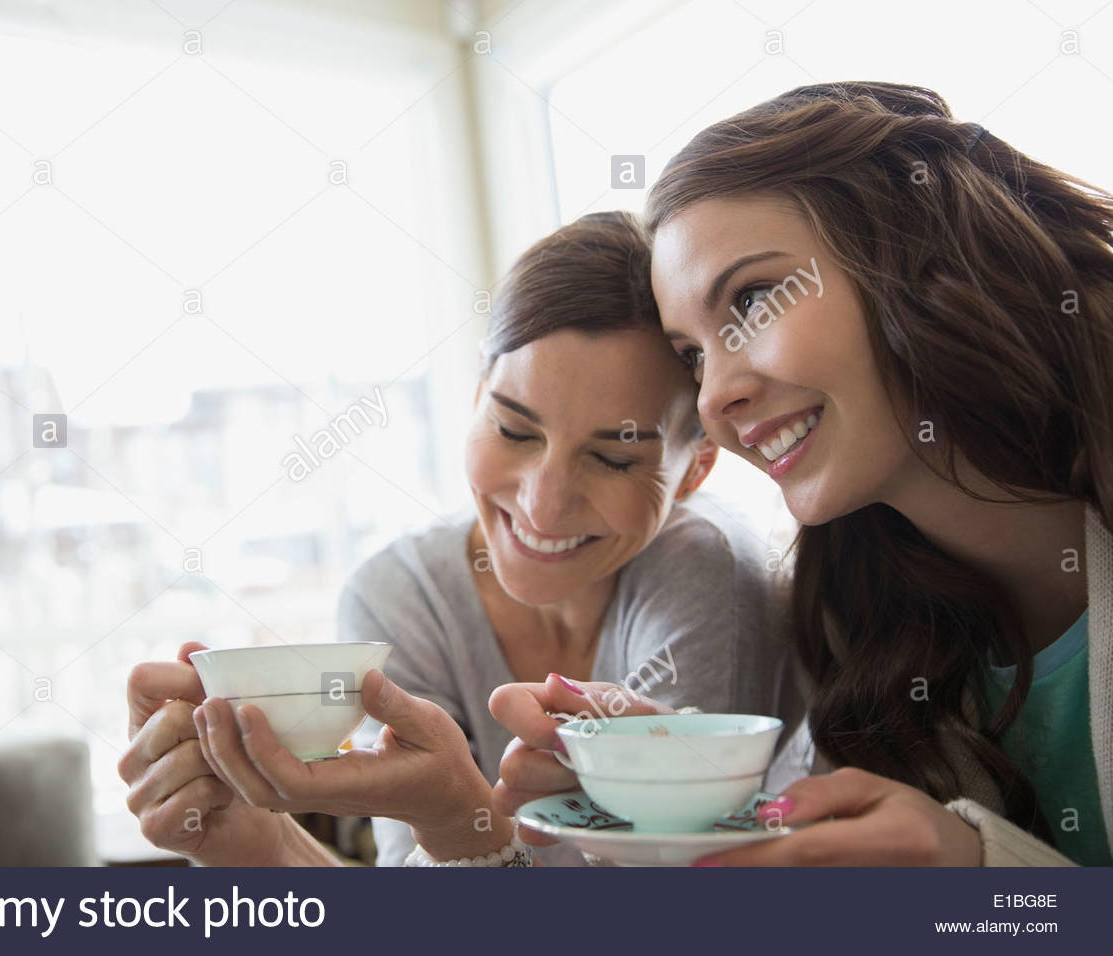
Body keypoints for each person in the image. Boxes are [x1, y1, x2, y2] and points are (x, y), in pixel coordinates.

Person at [493, 81, 1112, 866]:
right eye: (692, 355)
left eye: (753, 301)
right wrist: (692, 795)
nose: (715, 395)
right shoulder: (859, 621)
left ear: (923, 254)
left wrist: (979, 871)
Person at [119, 211, 797, 866]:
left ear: (695, 469)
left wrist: (455, 819)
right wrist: (263, 849)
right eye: (514, 430)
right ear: (477, 399)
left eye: (613, 457)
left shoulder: (711, 575)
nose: (544, 503)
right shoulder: (403, 594)